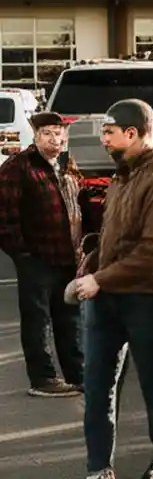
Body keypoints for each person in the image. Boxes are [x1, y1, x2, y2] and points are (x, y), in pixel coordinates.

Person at [73, 100, 153, 479]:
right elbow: (115, 236)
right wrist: (91, 263)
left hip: (150, 299)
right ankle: (98, 468)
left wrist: (99, 279)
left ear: (133, 133)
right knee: (98, 388)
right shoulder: (123, 173)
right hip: (108, 299)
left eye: (109, 133)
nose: (104, 140)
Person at [0, 111, 84, 397]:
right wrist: (21, 253)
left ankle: (77, 374)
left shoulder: (65, 164)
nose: (55, 138)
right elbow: (4, 214)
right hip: (35, 256)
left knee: (69, 318)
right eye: (48, 133)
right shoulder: (18, 166)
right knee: (38, 320)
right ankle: (43, 378)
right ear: (35, 136)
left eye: (59, 132)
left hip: (66, 256)